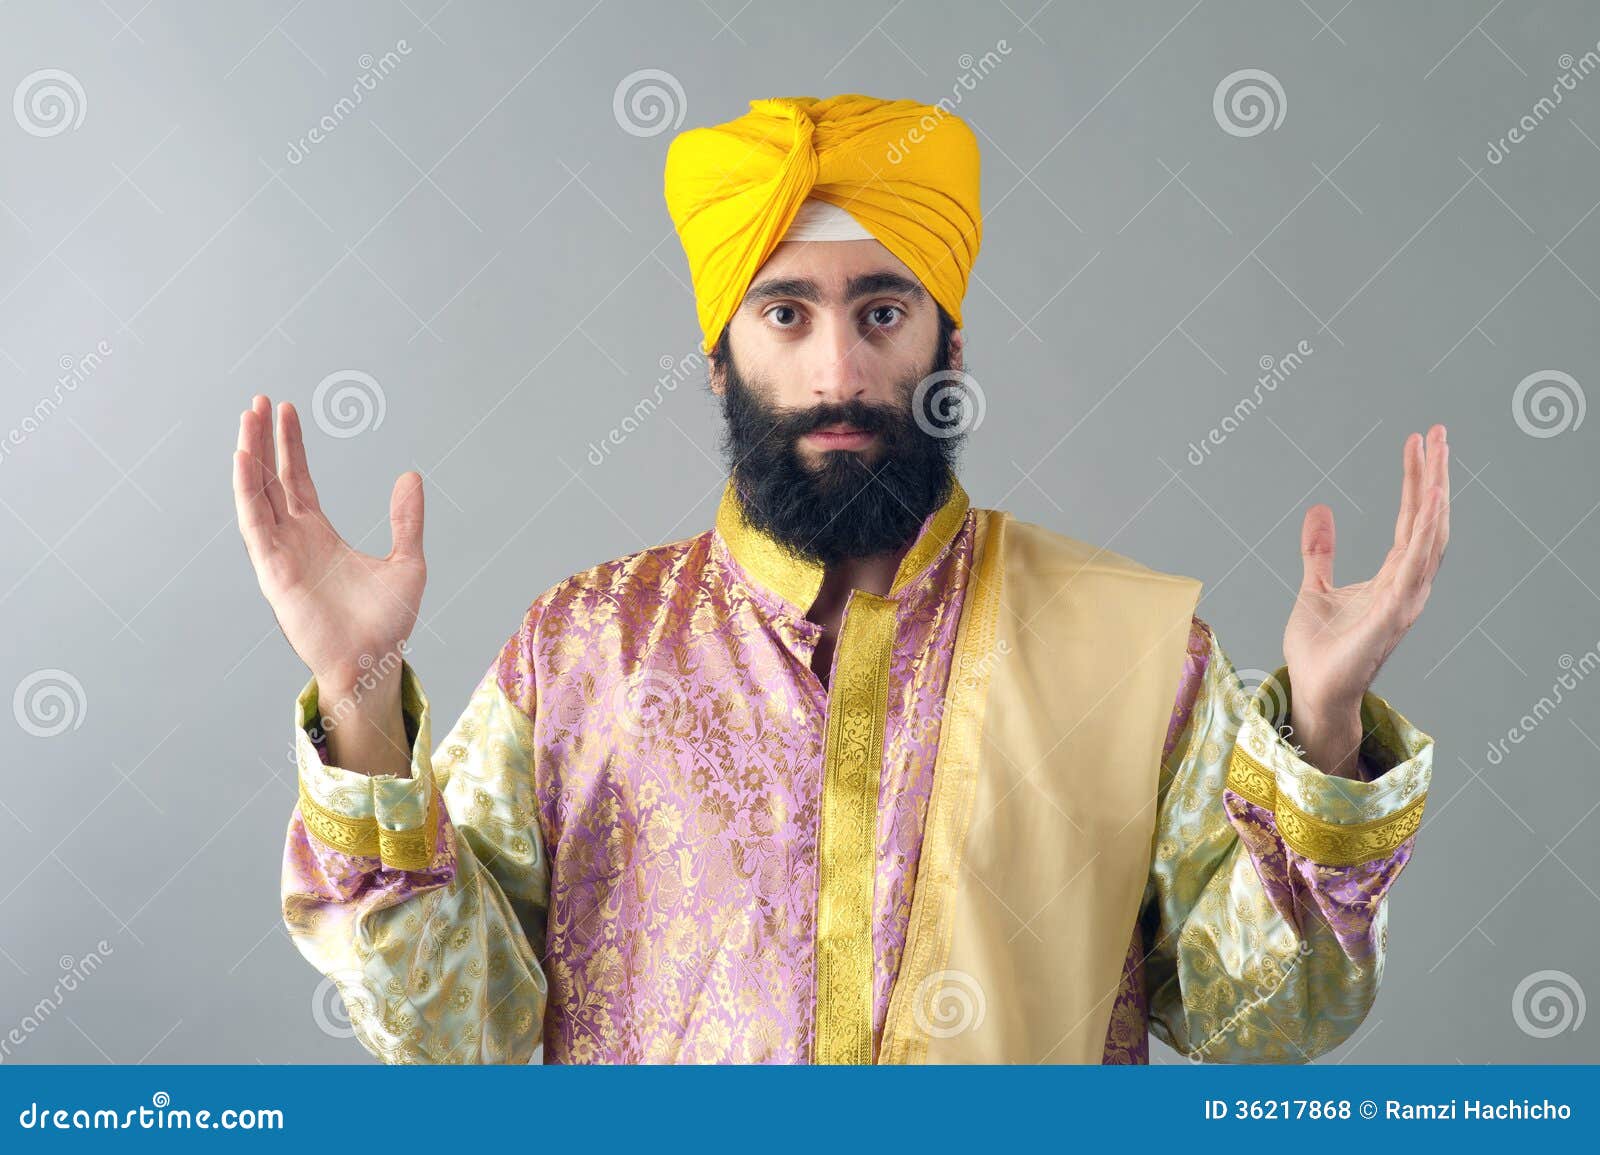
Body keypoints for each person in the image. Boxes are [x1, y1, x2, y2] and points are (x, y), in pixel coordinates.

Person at [233, 94, 1448, 1064]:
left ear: (948, 343)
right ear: (720, 359)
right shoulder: (584, 649)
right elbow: (457, 1034)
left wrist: (1325, 726)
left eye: (880, 312)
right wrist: (358, 692)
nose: (837, 374)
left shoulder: (1128, 649)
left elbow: (1261, 1026)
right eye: (784, 315)